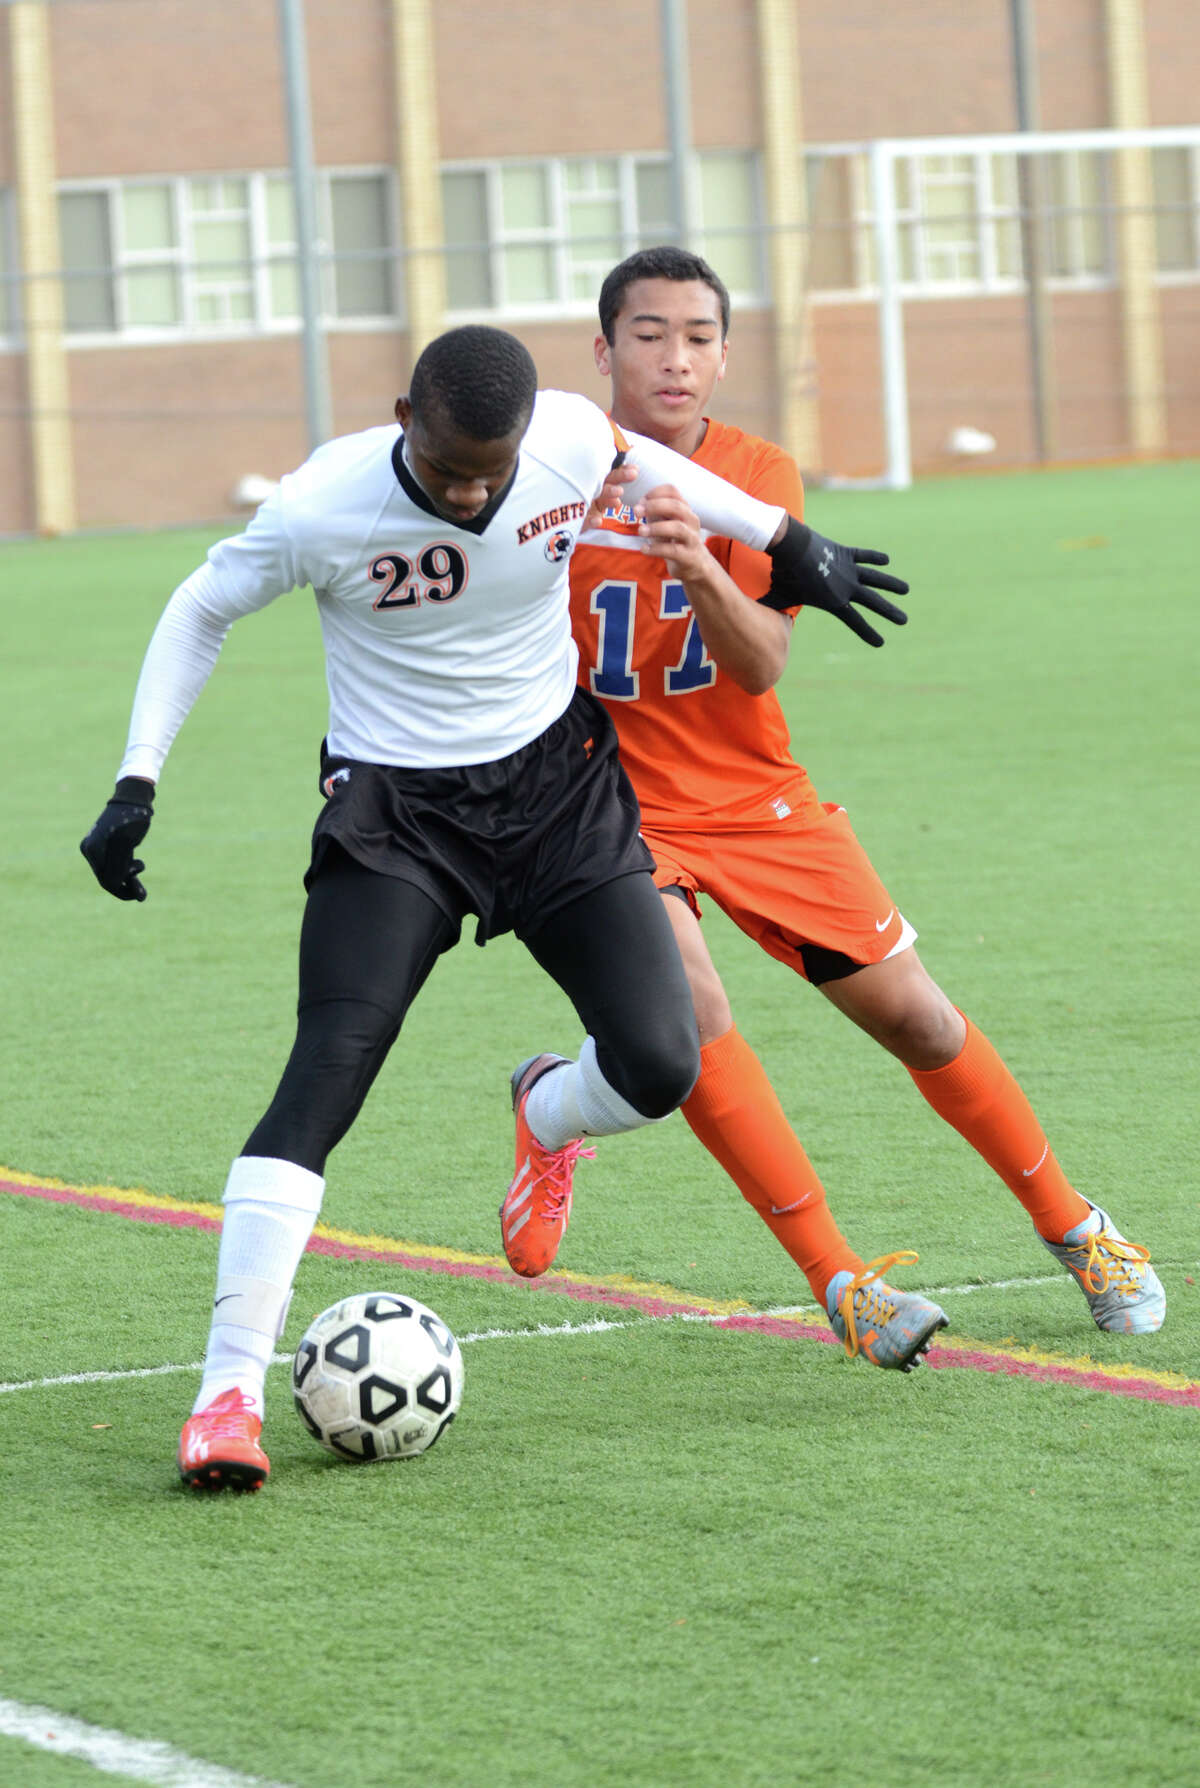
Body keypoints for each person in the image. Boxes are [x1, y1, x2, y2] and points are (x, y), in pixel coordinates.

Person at [80, 323, 910, 1491]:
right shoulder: (326, 503)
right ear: (403, 418)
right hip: (397, 820)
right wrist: (138, 776)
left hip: (558, 794)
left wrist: (785, 538)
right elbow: (200, 609)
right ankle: (225, 1397)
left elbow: (646, 461)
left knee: (664, 1064)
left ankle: (548, 1111)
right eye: (450, 468)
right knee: (329, 1070)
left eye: (493, 471)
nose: (471, 492)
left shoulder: (570, 437)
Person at [502, 245, 1164, 1363]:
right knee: (694, 1007)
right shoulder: (548, 470)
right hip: (596, 805)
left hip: (752, 794)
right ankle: (841, 1282)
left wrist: (701, 566)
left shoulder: (760, 475)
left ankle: (1076, 1226)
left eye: (700, 338)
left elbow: (760, 667)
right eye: (649, 334)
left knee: (918, 1018)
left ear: (724, 355)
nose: (675, 358)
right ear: (602, 349)